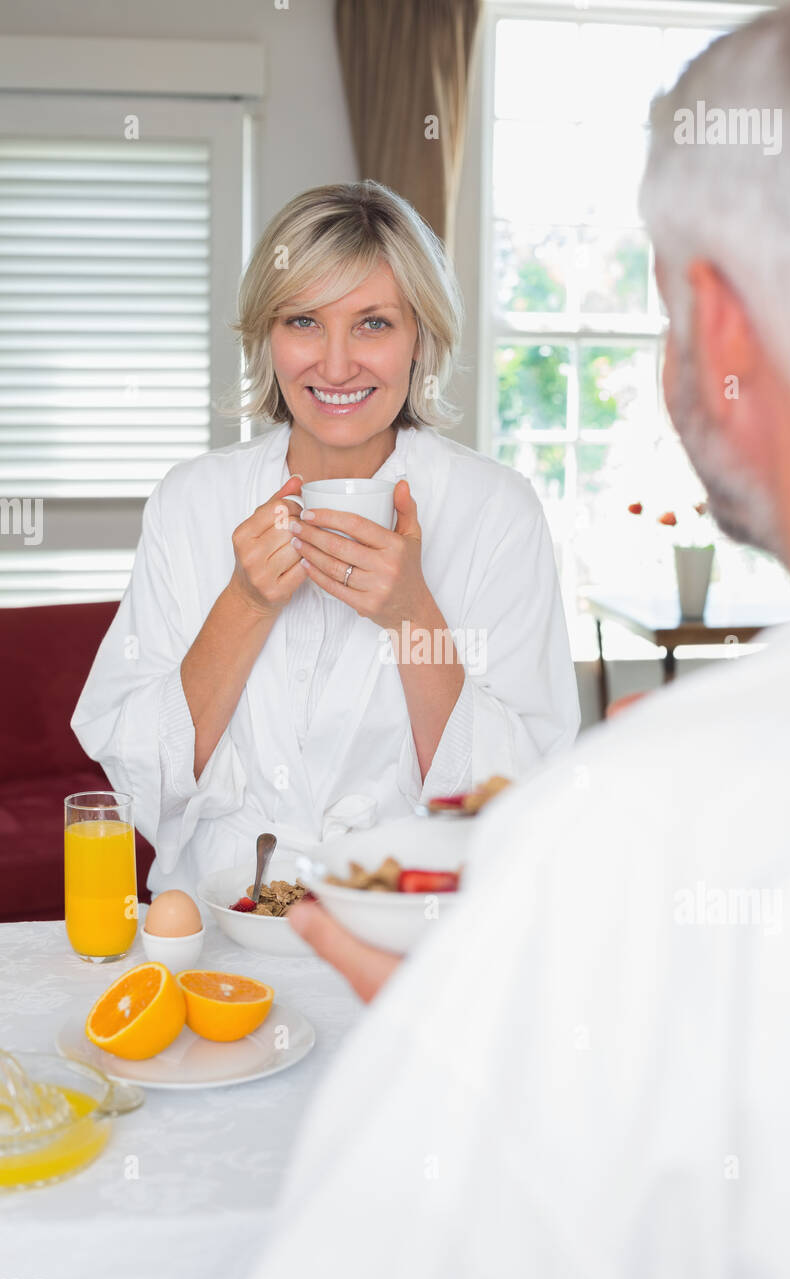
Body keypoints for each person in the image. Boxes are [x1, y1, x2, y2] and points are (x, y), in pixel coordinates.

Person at [241, 1, 790, 1279]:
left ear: (719, 318)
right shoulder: (650, 816)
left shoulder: (650, 819)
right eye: (305, 323)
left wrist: (449, 1032)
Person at [70, 182, 579, 900]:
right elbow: (138, 777)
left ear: (421, 339)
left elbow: (519, 792)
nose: (336, 366)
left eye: (373, 324)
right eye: (304, 321)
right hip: (220, 926)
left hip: (407, 932)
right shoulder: (191, 502)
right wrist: (245, 603)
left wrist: (411, 618)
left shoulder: (497, 511)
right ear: (265, 336)